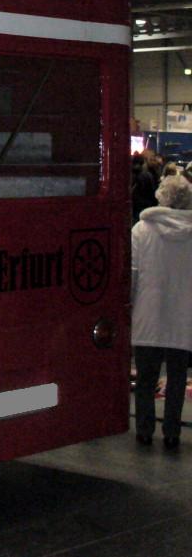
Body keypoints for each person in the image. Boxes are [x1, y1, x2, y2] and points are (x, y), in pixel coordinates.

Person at [131, 174, 192, 449]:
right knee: (177, 378)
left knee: (146, 378)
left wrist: (130, 305)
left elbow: (132, 274)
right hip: (183, 314)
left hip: (148, 312)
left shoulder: (141, 230)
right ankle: (172, 432)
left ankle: (144, 430)